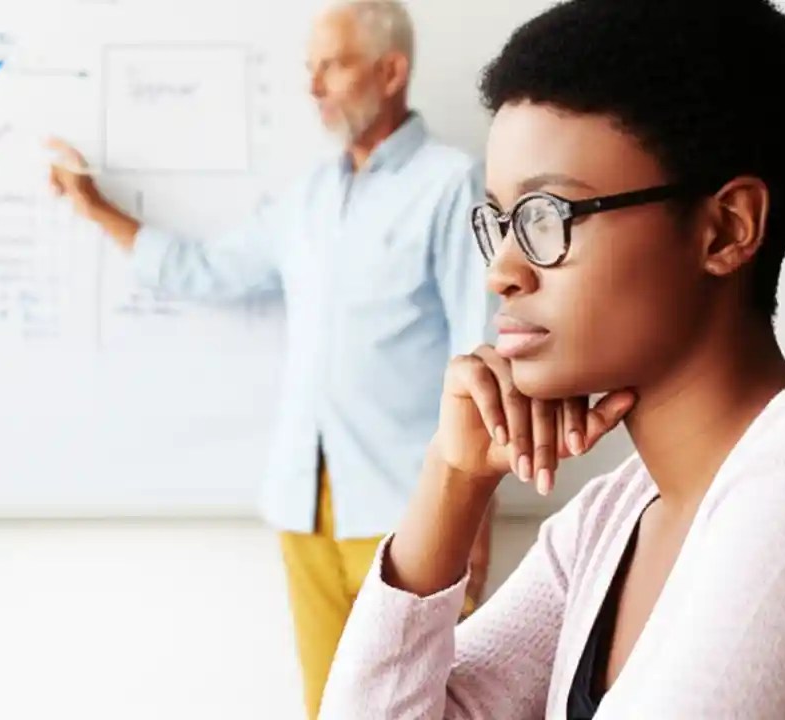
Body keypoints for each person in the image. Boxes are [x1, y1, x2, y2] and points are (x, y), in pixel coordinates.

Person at [319, 0, 785, 717]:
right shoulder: (608, 521)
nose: (501, 270)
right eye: (500, 222)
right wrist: (453, 476)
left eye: (546, 217)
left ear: (726, 230)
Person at [47, 1, 494, 715]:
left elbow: (482, 347)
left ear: (391, 69)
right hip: (303, 505)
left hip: (409, 506)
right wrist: (97, 208)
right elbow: (209, 271)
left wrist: (472, 507)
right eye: (309, 69)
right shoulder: (309, 198)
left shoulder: (450, 185)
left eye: (334, 65)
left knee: (428, 709)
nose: (314, 86)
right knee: (328, 708)